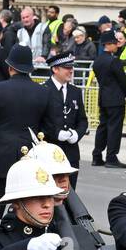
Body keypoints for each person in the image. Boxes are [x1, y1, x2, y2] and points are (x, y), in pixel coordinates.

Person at [0, 44, 60, 199]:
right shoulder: (44, 92)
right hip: (31, 158)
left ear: (10, 67)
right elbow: (51, 128)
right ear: (30, 69)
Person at [45, 53, 88, 188]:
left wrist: (77, 134)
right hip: (50, 151)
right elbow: (38, 121)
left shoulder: (75, 91)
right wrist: (55, 133)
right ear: (55, 69)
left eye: (72, 67)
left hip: (70, 152)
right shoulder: (43, 90)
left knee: (70, 192)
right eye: (66, 67)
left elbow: (82, 120)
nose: (71, 71)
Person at [91, 30, 126, 167]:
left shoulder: (98, 61)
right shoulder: (114, 61)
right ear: (109, 44)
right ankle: (111, 157)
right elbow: (122, 80)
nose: (116, 45)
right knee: (114, 128)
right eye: (114, 43)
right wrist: (125, 93)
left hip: (103, 97)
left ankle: (97, 155)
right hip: (115, 98)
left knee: (103, 127)